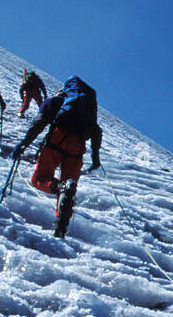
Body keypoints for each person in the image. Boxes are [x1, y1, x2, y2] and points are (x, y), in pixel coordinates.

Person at [10, 74, 103, 236]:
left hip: (57, 139)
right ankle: (60, 226)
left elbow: (39, 123)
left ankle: (59, 187)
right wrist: (95, 158)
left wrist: (23, 144)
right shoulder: (87, 110)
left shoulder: (56, 101)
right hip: (77, 147)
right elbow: (96, 131)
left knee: (39, 179)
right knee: (70, 187)